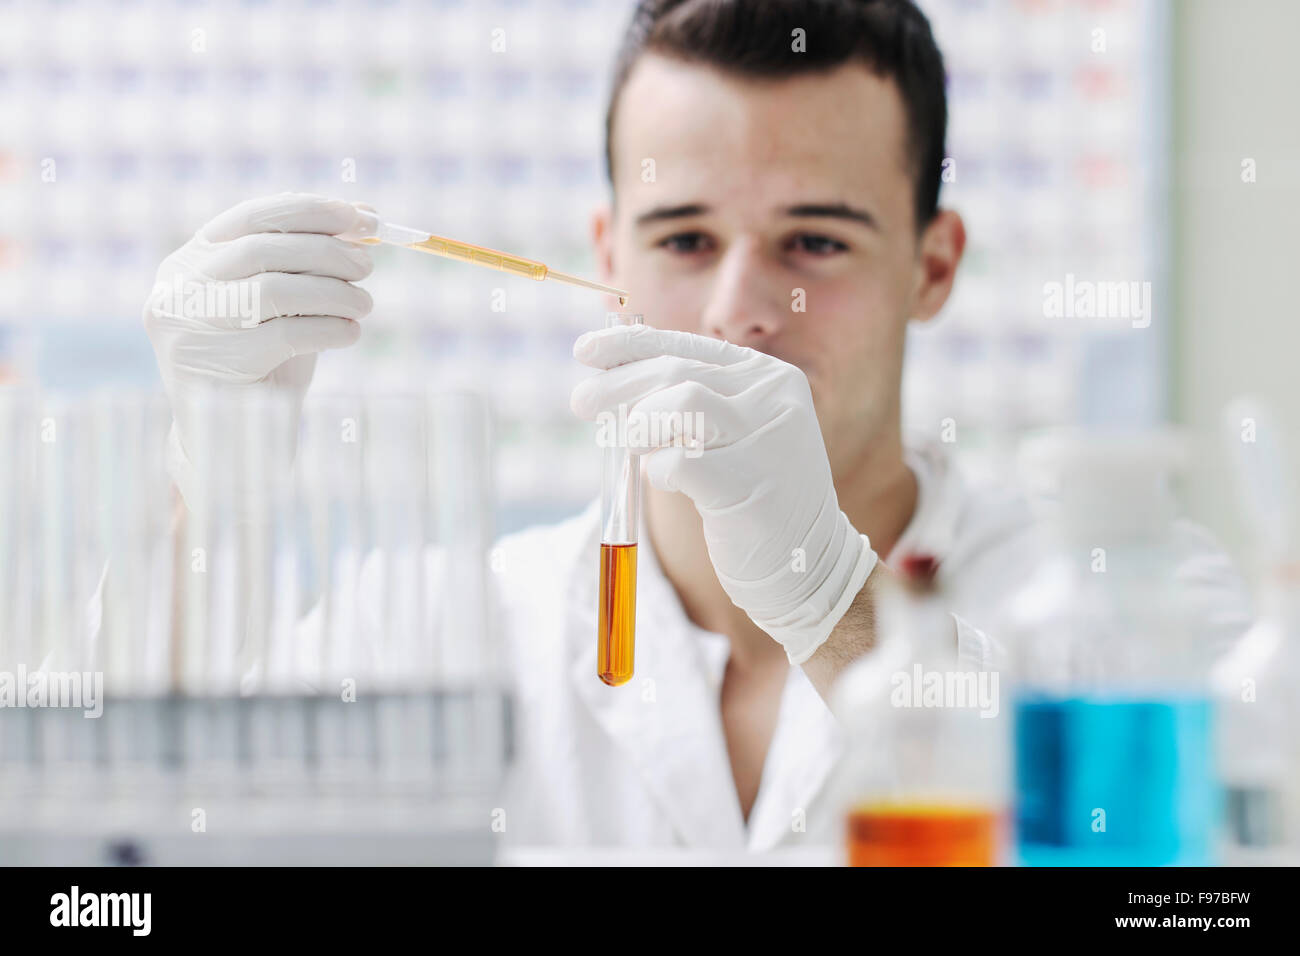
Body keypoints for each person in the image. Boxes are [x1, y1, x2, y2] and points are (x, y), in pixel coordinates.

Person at [141, 0, 1251, 850]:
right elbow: (145, 838)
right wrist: (205, 479)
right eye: (682, 240)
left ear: (935, 263)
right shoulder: (436, 620)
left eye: (814, 241)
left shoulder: (1130, 611)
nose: (738, 312)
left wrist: (837, 607)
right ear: (605, 254)